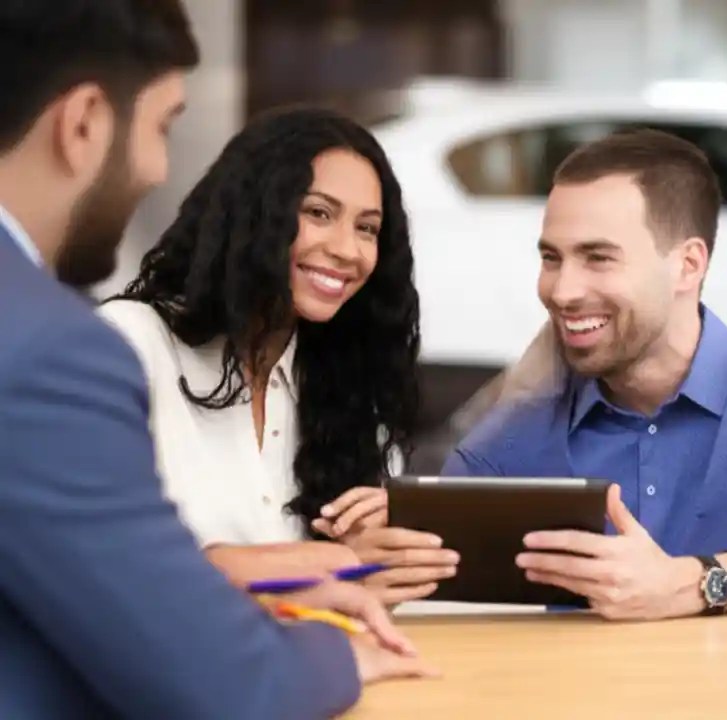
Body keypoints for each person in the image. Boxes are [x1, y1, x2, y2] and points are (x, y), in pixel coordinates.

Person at [0, 2, 427, 717]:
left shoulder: (342, 383)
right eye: (163, 128)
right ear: (82, 124)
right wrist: (341, 647)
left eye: (367, 228)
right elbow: (214, 676)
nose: (161, 170)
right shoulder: (68, 351)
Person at [329, 129, 727, 619]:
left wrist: (698, 583)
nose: (561, 291)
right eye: (551, 258)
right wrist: (375, 543)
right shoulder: (529, 420)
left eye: (598, 258)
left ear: (688, 264)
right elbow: (428, 533)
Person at [99, 107, 457, 604]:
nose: (348, 250)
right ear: (253, 214)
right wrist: (337, 564)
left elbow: (343, 599)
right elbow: (105, 561)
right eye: (319, 213)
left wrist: (379, 543)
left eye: (368, 229)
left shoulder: (346, 392)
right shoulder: (130, 343)